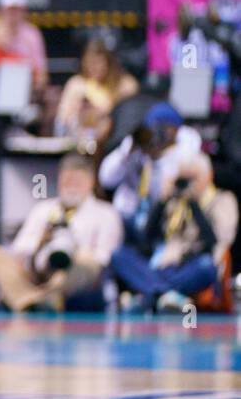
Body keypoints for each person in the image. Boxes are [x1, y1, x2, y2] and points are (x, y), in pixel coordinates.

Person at [0, 153, 122, 312]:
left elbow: (105, 258)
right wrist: (40, 243)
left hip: (73, 280)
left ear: (91, 182)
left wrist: (74, 252)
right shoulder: (43, 209)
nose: (71, 186)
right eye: (67, 180)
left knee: (88, 260)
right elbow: (18, 250)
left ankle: (38, 299)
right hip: (36, 273)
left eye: (77, 181)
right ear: (59, 180)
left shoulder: (106, 213)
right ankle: (32, 302)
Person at [112, 153, 239, 314]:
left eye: (192, 178)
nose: (185, 184)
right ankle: (166, 293)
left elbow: (214, 243)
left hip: (191, 265)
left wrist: (194, 205)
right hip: (161, 265)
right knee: (119, 255)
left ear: (209, 176)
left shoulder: (222, 199)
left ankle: (151, 295)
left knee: (206, 265)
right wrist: (161, 203)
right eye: (181, 178)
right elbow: (146, 241)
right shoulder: (173, 201)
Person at [98, 102, 202, 235]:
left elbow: (162, 193)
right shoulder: (135, 145)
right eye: (151, 127)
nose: (154, 133)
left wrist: (157, 157)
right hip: (125, 215)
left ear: (175, 129)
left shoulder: (185, 149)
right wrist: (125, 154)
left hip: (160, 222)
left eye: (161, 128)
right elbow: (106, 180)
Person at [54, 39, 138, 146]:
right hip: (80, 138)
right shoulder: (77, 84)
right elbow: (62, 120)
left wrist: (104, 110)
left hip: (111, 140)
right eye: (90, 62)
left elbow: (132, 88)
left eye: (98, 62)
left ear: (108, 62)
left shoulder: (121, 84)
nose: (94, 67)